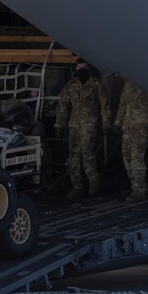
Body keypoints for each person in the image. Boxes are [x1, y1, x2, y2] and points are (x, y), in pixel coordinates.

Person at [55, 59, 109, 198]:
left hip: (89, 124)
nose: (80, 69)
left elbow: (104, 105)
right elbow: (63, 106)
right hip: (74, 125)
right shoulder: (71, 85)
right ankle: (77, 186)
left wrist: (106, 123)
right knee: (73, 155)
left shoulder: (96, 84)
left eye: (83, 67)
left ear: (88, 68)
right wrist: (59, 124)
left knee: (87, 153)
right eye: (78, 67)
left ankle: (93, 183)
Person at [113, 79, 148, 201]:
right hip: (128, 126)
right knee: (127, 157)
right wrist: (117, 122)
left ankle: (138, 190)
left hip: (142, 126)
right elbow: (122, 104)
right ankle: (139, 185)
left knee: (136, 157)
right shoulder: (128, 84)